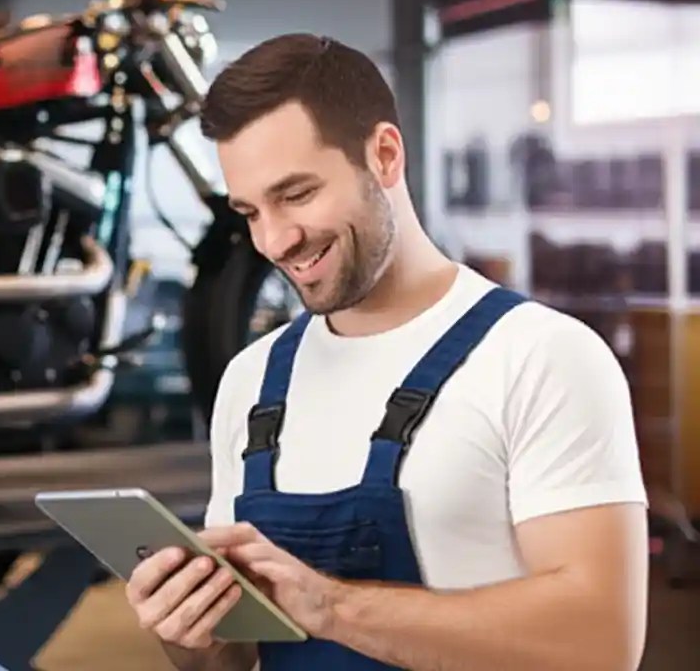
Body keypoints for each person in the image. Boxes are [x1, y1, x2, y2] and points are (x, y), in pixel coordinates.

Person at [125, 33, 650, 670]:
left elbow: (601, 644)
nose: (274, 240)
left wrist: (332, 608)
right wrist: (187, 632)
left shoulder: (542, 358)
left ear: (383, 155)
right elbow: (233, 662)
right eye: (250, 211)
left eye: (295, 195)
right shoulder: (252, 380)